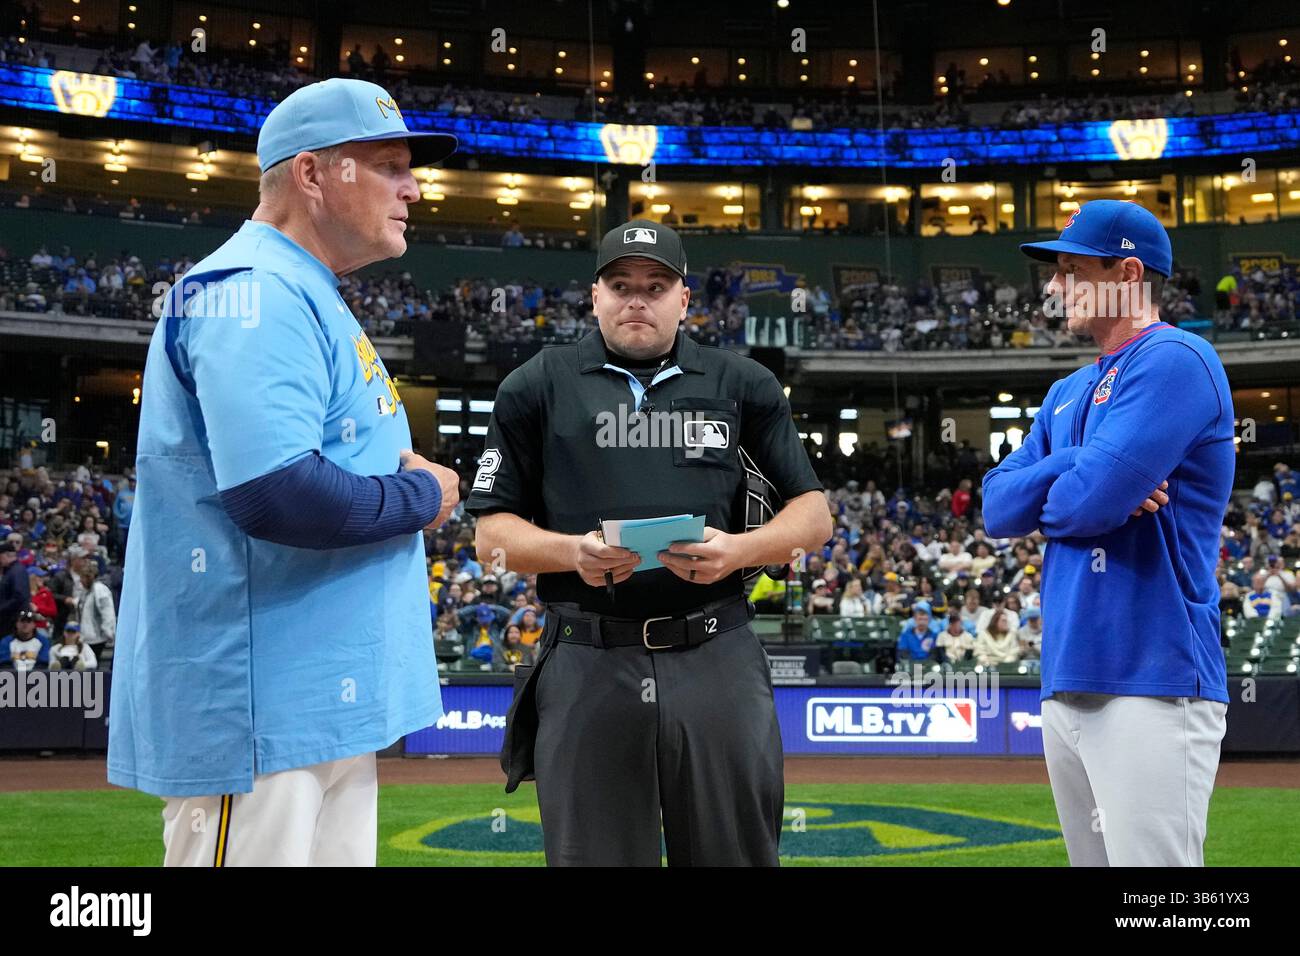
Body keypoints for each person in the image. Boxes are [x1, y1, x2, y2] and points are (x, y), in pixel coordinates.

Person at [107, 78, 461, 867]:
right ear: (312, 175)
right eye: (389, 166)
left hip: (317, 701)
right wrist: (421, 495)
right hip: (256, 711)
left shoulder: (306, 290)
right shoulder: (256, 291)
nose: (413, 187)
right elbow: (278, 494)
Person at [467, 219, 832, 866]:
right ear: (595, 295)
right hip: (587, 656)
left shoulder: (740, 382)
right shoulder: (536, 385)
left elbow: (814, 516)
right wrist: (571, 553)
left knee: (736, 856)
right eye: (621, 284)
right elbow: (491, 537)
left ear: (683, 299)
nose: (638, 298)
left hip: (715, 650)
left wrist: (738, 550)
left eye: (656, 285)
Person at [984, 199, 1235, 867]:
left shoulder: (1179, 358)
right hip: (1068, 676)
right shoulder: (1066, 390)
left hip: (1153, 676)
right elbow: (996, 508)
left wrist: (1075, 483)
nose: (1054, 286)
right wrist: (1073, 465)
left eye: (1071, 270)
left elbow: (1087, 507)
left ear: (1127, 273)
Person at [75, 562, 116, 663]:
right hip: (86, 636)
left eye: (82, 577)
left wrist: (108, 631)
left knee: (93, 665)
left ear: (89, 577)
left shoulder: (100, 589)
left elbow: (107, 612)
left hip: (97, 637)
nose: (80, 581)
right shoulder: (85, 591)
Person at [0, 541, 30, 640]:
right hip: (9, 619)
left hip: (13, 620)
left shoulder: (17, 571)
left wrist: (2, 608)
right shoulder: (11, 570)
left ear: (4, 555)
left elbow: (19, 596)